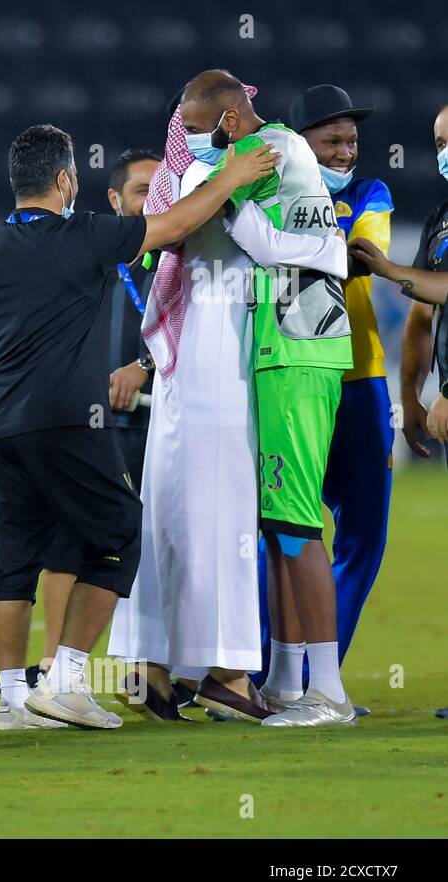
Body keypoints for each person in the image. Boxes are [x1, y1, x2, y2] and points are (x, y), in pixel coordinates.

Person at [0, 121, 276, 731]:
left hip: (2, 425)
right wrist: (233, 177)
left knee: (12, 563)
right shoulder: (84, 234)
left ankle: (9, 702)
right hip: (70, 422)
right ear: (64, 180)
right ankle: (67, 680)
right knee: (118, 536)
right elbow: (174, 226)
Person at [109, 73, 350, 725]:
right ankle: (226, 671)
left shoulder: (199, 173)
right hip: (223, 367)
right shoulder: (210, 179)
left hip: (189, 369)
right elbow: (233, 228)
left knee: (173, 516)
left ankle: (153, 665)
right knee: (227, 522)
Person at [197, 73, 357, 727]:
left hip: (298, 347)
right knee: (278, 527)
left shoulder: (275, 148)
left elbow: (250, 236)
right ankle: (289, 679)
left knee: (296, 525)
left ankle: (331, 692)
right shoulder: (284, 156)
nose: (202, 144)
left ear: (230, 121)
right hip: (285, 346)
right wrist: (326, 249)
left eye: (204, 129)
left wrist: (217, 192)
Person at [251, 85, 394, 714]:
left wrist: (309, 233)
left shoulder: (369, 196)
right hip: (302, 364)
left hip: (355, 376)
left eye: (352, 142)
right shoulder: (279, 184)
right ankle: (282, 671)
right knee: (284, 524)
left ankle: (321, 675)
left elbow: (364, 257)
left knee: (355, 534)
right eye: (331, 140)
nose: (345, 152)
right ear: (299, 142)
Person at [350, 105, 448, 721]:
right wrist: (409, 396)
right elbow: (420, 315)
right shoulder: (442, 217)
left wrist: (384, 268)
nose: (443, 151)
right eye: (438, 140)